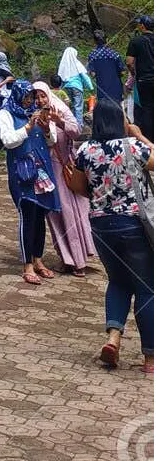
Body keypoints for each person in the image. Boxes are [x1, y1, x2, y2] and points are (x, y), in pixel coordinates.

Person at [67, 96, 154, 374]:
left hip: (101, 226)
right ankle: (150, 357)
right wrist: (139, 134)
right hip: (134, 226)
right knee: (146, 288)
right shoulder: (133, 147)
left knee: (117, 281)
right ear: (120, 120)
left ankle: (113, 338)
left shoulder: (86, 150)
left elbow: (80, 188)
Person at [0, 78, 61, 286]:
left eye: (31, 97)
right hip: (22, 172)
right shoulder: (5, 115)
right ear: (17, 95)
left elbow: (52, 142)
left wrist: (46, 128)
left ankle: (38, 259)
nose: (29, 101)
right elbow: (8, 141)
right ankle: (27, 265)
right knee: (28, 215)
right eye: (26, 97)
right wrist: (28, 127)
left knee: (41, 214)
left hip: (43, 171)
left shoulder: (37, 112)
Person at [31, 81, 95, 276]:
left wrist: (59, 122)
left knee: (73, 212)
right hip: (47, 169)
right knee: (56, 215)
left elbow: (76, 131)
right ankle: (67, 258)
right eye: (36, 96)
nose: (40, 100)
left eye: (42, 95)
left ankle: (78, 260)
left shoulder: (60, 109)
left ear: (49, 94)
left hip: (66, 168)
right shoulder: (33, 116)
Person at [127, 16, 154, 141]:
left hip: (144, 80)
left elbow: (129, 62)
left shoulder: (135, 41)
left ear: (142, 26)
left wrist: (134, 74)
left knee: (147, 109)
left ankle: (149, 139)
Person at [57, 44, 93, 127]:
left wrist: (60, 88)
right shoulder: (77, 64)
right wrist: (90, 86)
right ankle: (79, 125)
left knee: (71, 105)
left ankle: (71, 123)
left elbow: (60, 77)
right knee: (78, 106)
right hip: (77, 87)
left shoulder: (63, 65)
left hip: (67, 88)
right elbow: (84, 76)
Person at [87, 29, 127, 103]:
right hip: (116, 88)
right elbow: (123, 72)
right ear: (107, 40)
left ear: (94, 41)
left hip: (102, 89)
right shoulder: (114, 54)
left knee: (104, 110)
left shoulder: (92, 55)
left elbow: (93, 74)